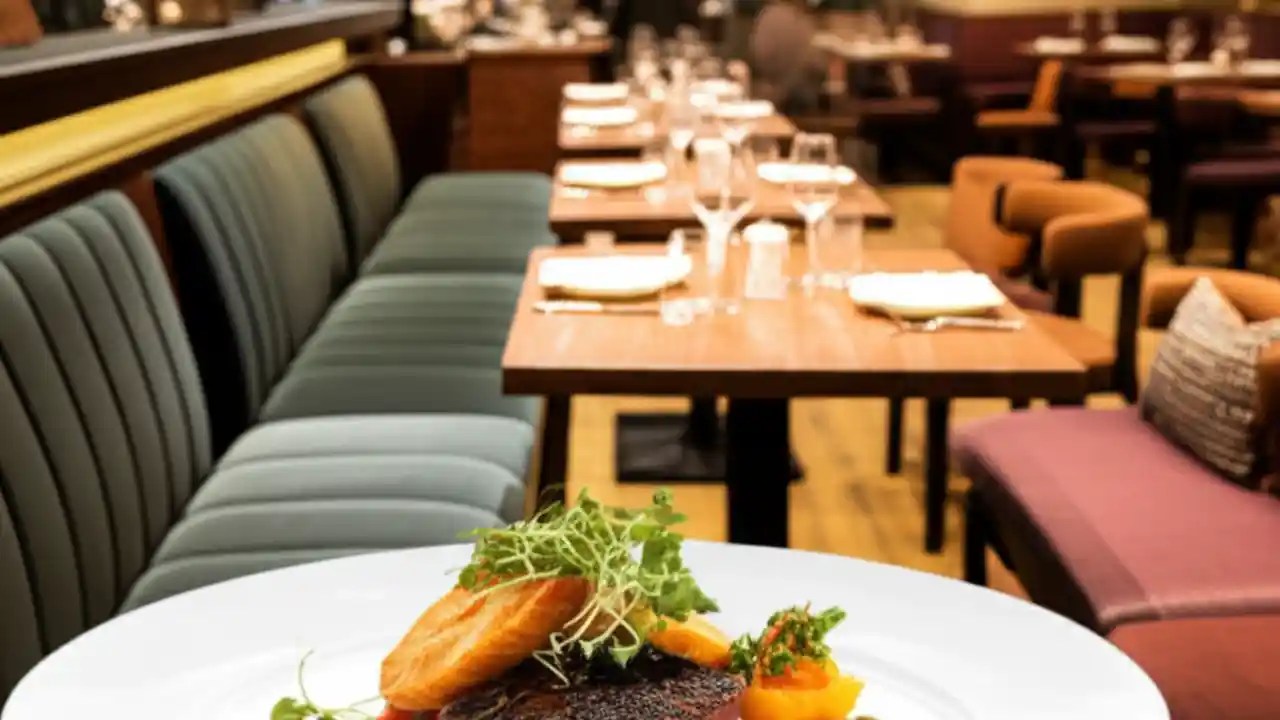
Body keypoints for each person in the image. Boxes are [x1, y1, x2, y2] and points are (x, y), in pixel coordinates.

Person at [749, 0, 825, 114]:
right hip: (795, 98)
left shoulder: (769, 16)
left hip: (778, 96)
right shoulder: (801, 21)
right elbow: (818, 66)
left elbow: (761, 57)